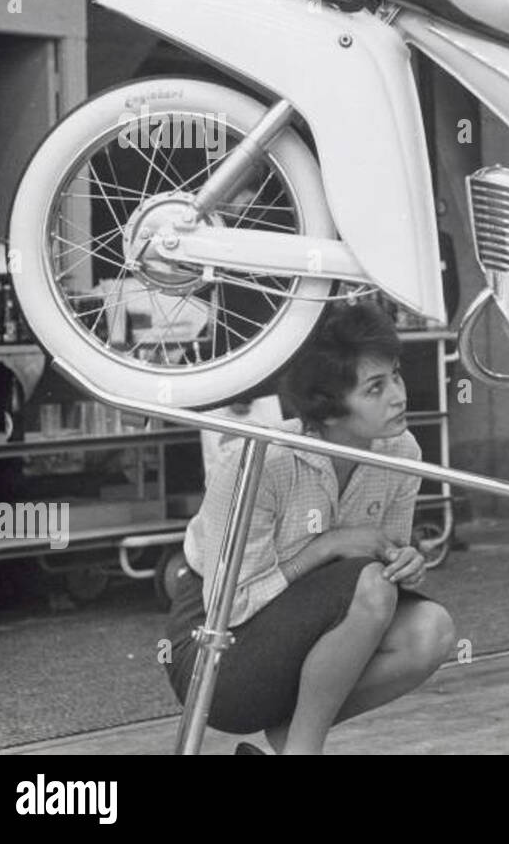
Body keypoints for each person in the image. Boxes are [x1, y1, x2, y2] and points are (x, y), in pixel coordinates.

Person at [163, 301, 455, 754]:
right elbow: (232, 605)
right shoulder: (257, 460)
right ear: (330, 409)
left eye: (395, 375)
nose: (399, 394)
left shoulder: (401, 451)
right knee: (371, 585)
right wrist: (328, 547)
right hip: (217, 661)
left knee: (431, 629)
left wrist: (406, 561)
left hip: (308, 636)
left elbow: (384, 556)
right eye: (375, 388)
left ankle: (293, 736)